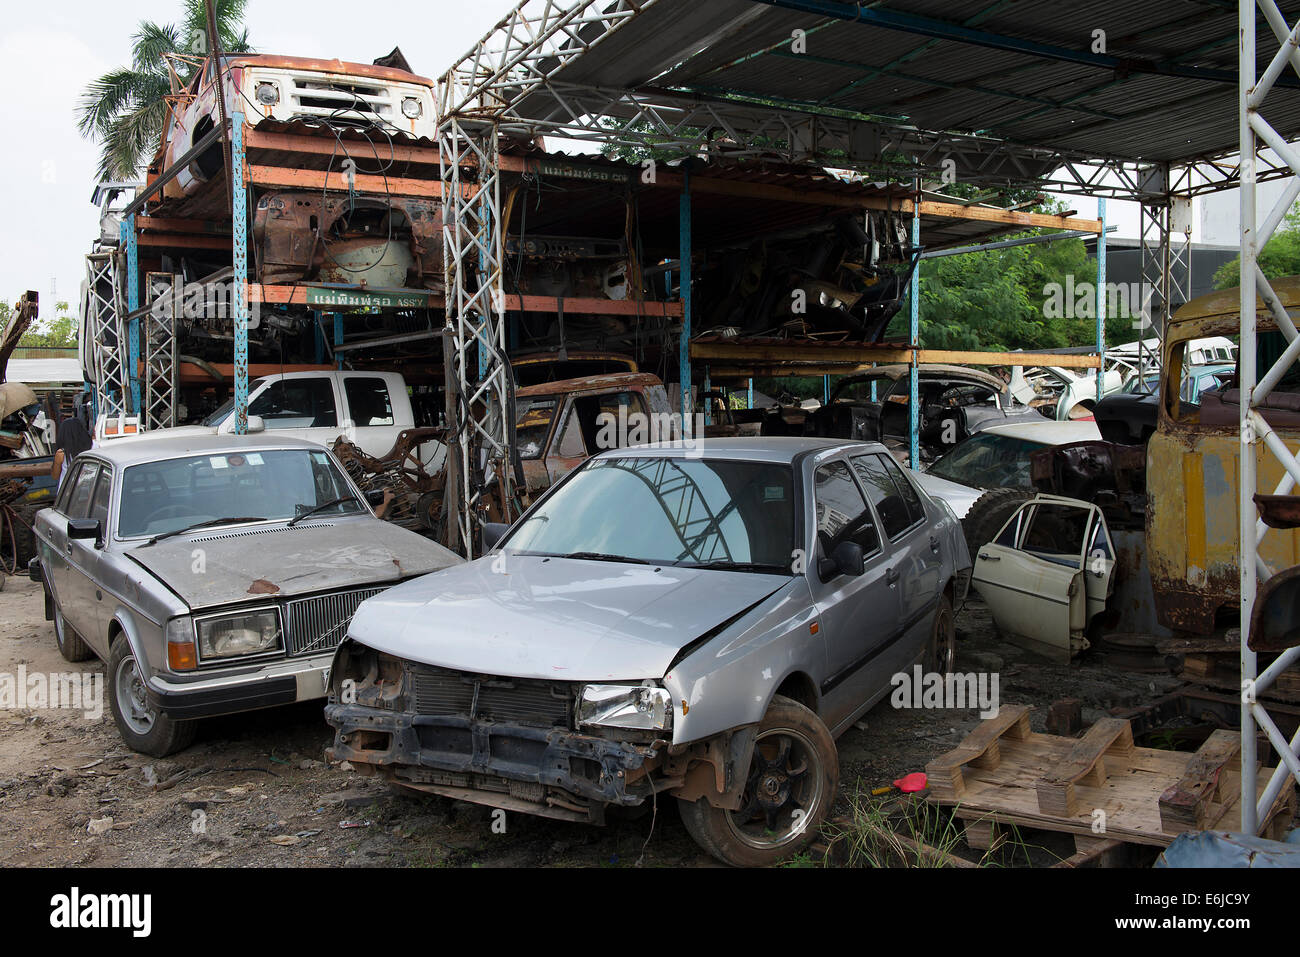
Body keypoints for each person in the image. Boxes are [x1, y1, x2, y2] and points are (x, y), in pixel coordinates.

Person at [51, 417, 93, 489]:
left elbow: (55, 476)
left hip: (68, 494)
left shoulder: (62, 453)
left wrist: (57, 462)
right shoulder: (94, 446)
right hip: (92, 491)